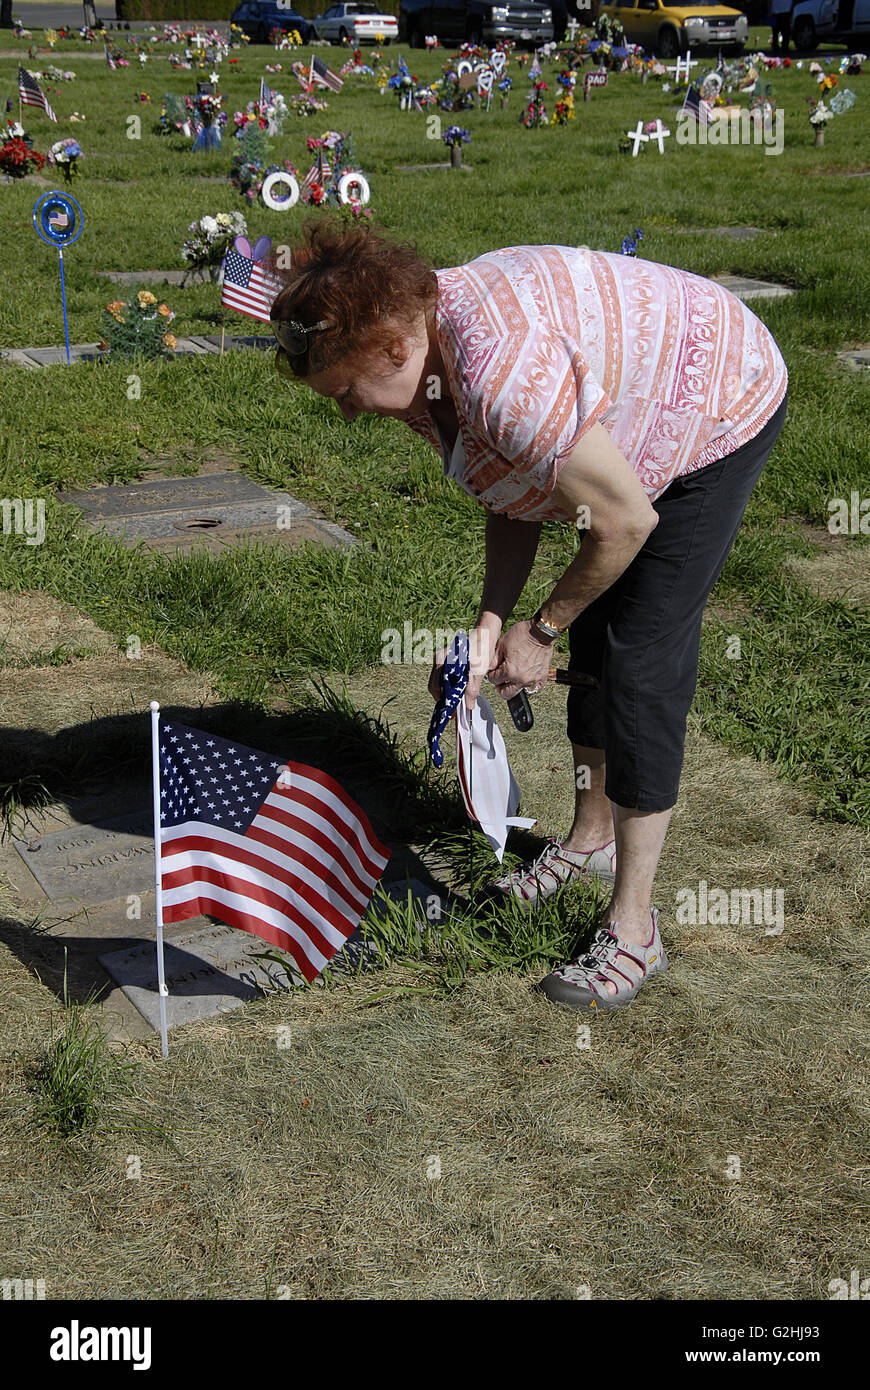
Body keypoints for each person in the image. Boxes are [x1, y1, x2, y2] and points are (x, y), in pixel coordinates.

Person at [269, 224, 788, 1013]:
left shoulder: (499, 375)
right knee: (600, 634)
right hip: (627, 429)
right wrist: (492, 623)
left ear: (391, 345)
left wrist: (538, 632)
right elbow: (511, 489)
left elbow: (624, 523)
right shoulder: (424, 361)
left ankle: (635, 925)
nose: (345, 413)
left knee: (638, 661)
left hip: (720, 395)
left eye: (344, 392)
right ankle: (588, 839)